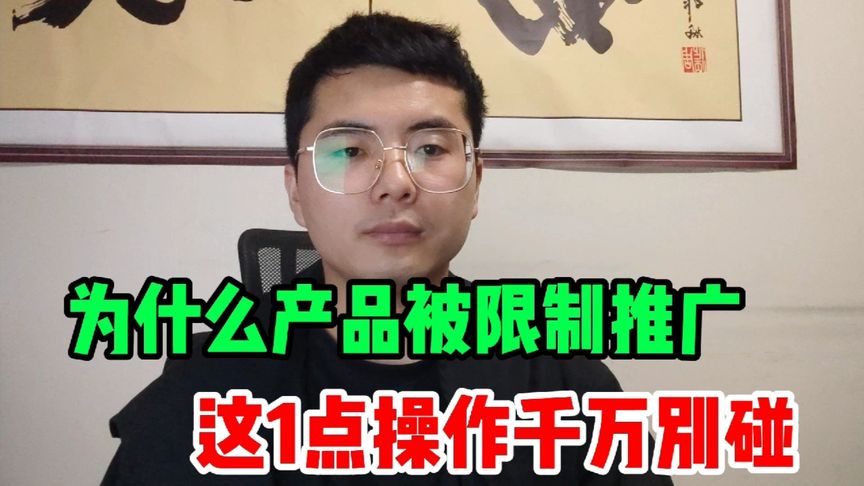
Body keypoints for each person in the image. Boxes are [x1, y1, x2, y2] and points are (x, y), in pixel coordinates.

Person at [103, 12, 672, 485]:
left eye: (430, 148)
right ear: (296, 192)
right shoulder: (205, 392)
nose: (396, 182)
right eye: (350, 151)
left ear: (475, 183)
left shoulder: (566, 385)